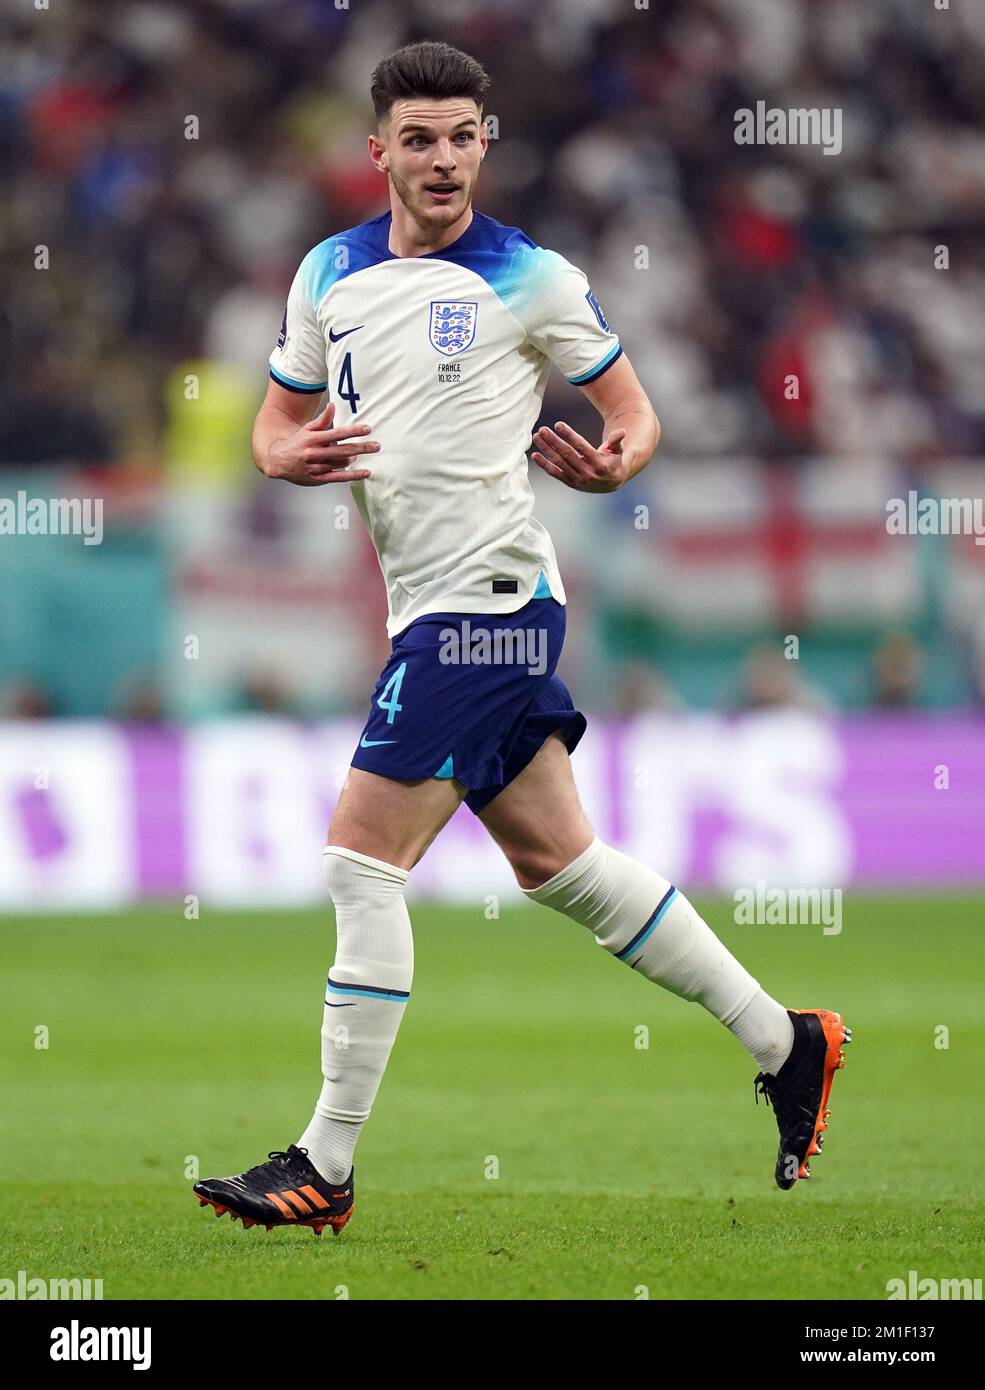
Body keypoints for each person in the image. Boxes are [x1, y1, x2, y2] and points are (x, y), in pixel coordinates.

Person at [194, 41, 849, 1237]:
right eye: (421, 139)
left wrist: (614, 467)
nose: (444, 160)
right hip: (428, 602)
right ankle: (786, 1038)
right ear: (379, 149)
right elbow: (274, 425)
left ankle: (324, 1164)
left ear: (485, 144)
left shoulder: (533, 279)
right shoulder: (326, 273)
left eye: (464, 137)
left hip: (486, 605)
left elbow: (633, 415)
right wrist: (278, 453)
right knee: (562, 865)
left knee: (359, 856)